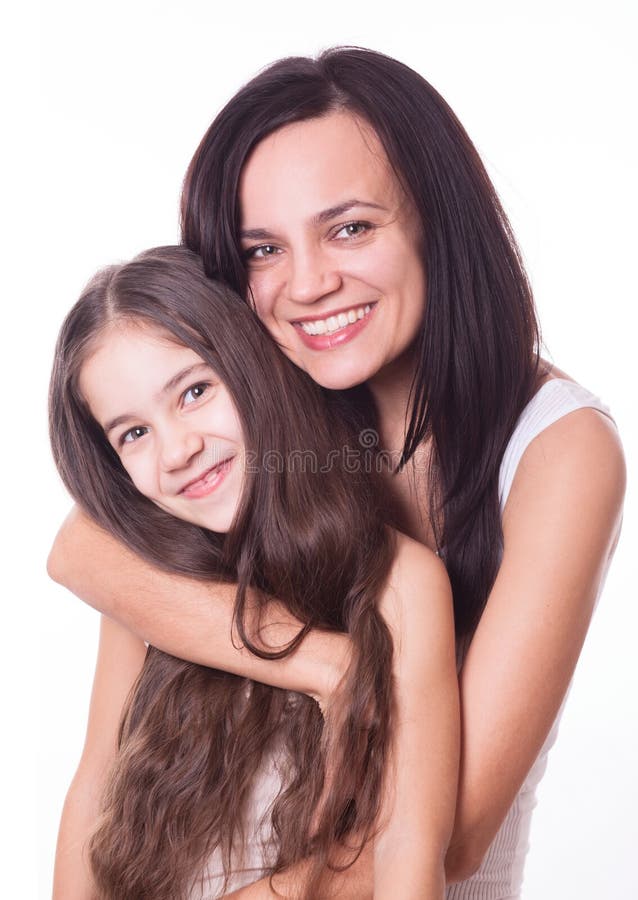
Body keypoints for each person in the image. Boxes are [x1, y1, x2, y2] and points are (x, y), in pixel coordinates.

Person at [48, 48, 625, 898]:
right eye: (262, 249)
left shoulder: (557, 448)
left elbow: (448, 833)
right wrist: (319, 664)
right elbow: (83, 549)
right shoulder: (270, 402)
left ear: (434, 218)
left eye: (349, 227)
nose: (310, 284)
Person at [48, 245, 458, 899]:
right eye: (133, 434)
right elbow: (95, 784)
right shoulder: (150, 580)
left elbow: (412, 845)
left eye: (194, 391)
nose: (177, 450)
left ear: (254, 366)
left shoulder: (401, 584)